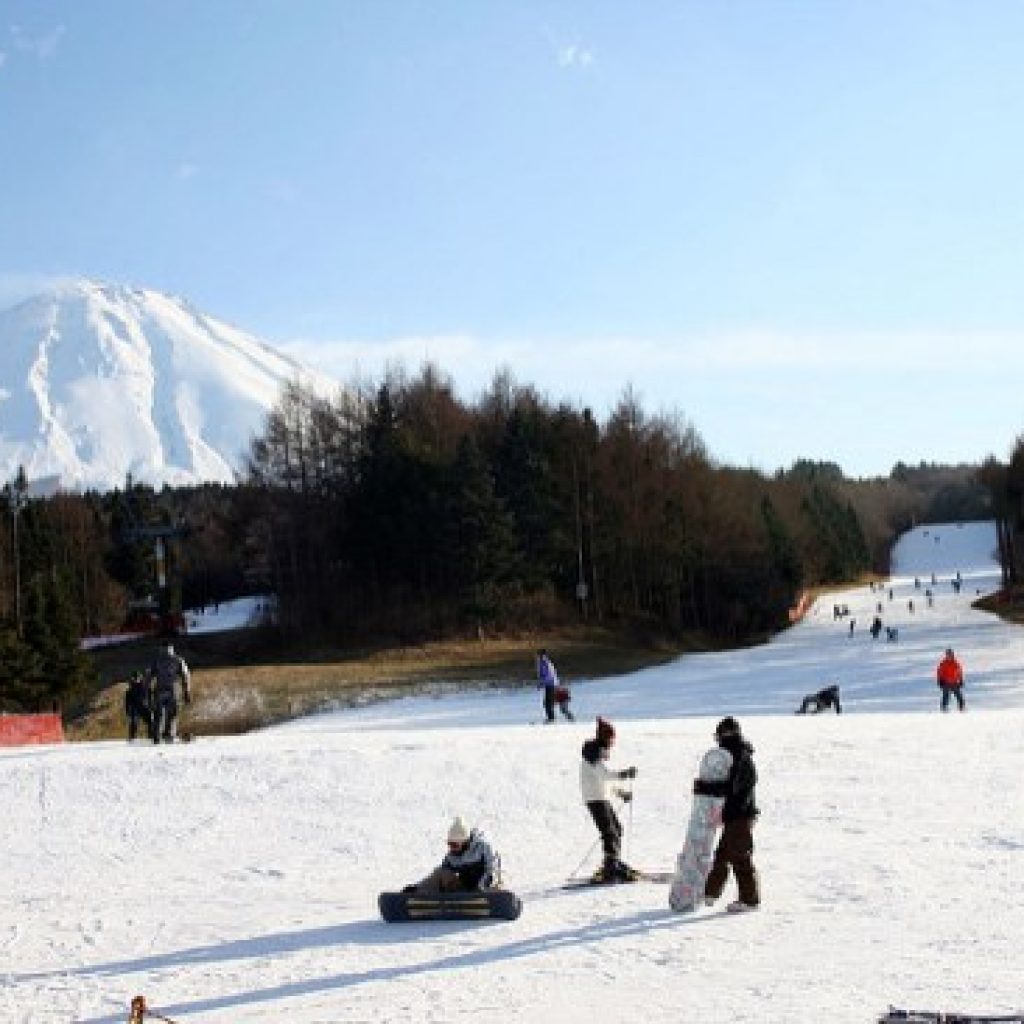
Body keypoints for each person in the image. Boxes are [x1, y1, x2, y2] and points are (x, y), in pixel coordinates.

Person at [696, 716, 760, 913]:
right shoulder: (733, 755)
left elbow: (733, 787)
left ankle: (750, 900)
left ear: (727, 735)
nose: (718, 741)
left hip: (740, 815)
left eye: (719, 736)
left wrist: (706, 787)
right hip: (733, 815)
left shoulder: (740, 757)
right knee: (723, 854)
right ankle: (710, 893)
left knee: (740, 857)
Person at [579, 716, 638, 883]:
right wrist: (624, 774)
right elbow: (604, 775)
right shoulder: (593, 754)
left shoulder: (597, 752)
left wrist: (621, 794)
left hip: (600, 797)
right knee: (609, 833)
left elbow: (603, 781)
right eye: (611, 738)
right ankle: (610, 869)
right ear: (605, 737)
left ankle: (613, 863)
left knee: (617, 829)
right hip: (595, 799)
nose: (613, 741)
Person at [404, 816, 501, 894]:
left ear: (464, 842)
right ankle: (417, 894)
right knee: (441, 872)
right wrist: (417, 887)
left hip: (484, 889)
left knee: (496, 884)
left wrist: (482, 886)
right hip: (463, 891)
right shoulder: (452, 856)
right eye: (449, 844)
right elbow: (438, 876)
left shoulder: (482, 848)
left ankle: (494, 901)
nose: (451, 848)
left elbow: (492, 869)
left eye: (454, 844)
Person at [148, 643, 192, 743]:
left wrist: (148, 691)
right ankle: (168, 735)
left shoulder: (156, 660)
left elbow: (148, 677)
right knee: (172, 714)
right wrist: (187, 691)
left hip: (159, 690)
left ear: (161, 648)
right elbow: (185, 676)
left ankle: (156, 736)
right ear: (172, 648)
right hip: (173, 690)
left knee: (158, 714)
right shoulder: (178, 660)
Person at [536, 649, 572, 722]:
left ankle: (551, 718)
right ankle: (551, 717)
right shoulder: (543, 662)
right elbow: (544, 675)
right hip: (550, 684)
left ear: (542, 655)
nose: (537, 656)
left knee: (548, 702)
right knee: (547, 702)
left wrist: (542, 683)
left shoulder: (545, 663)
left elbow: (549, 675)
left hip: (551, 684)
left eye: (538, 655)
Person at [124, 671, 152, 741]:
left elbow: (150, 698)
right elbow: (127, 702)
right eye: (135, 678)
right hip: (134, 708)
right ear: (132, 678)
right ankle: (132, 738)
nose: (137, 679)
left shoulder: (146, 688)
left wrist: (151, 707)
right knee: (134, 722)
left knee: (150, 721)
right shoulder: (130, 690)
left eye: (138, 677)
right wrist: (127, 712)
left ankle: (151, 736)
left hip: (144, 707)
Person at [936, 647, 966, 712]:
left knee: (958, 695)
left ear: (952, 655)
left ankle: (962, 707)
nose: (949, 656)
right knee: (946, 695)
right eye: (948, 655)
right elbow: (939, 672)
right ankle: (944, 708)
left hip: (954, 682)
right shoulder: (943, 663)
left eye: (950, 655)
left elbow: (959, 672)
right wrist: (939, 680)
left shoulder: (955, 663)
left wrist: (961, 680)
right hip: (945, 682)